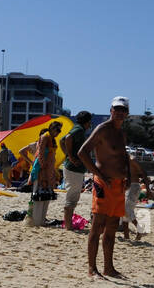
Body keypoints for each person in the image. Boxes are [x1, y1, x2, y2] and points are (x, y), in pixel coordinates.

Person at [78, 98, 131, 277]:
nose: (119, 112)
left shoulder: (122, 134)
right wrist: (99, 176)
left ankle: (109, 267)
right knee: (97, 225)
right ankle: (92, 268)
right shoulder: (102, 129)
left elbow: (124, 157)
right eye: (117, 109)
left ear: (127, 113)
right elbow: (82, 153)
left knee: (112, 226)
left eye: (123, 110)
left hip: (119, 185)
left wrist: (129, 176)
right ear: (110, 110)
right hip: (103, 184)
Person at [61, 110, 92, 231]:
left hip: (73, 168)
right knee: (72, 197)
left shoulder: (77, 128)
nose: (90, 125)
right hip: (74, 169)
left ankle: (68, 225)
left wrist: (68, 156)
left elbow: (62, 141)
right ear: (87, 122)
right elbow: (67, 139)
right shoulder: (79, 130)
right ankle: (68, 226)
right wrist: (71, 157)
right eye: (90, 122)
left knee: (72, 196)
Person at [30, 120, 62, 226]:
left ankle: (42, 219)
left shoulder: (53, 139)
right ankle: (36, 220)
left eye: (59, 130)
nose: (58, 132)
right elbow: (41, 154)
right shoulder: (45, 137)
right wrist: (43, 170)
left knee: (46, 196)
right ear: (52, 128)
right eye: (57, 129)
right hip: (42, 170)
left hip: (49, 170)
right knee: (38, 195)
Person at [121, 156, 149, 241]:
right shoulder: (124, 161)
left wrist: (148, 190)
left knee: (127, 210)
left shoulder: (132, 160)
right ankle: (126, 236)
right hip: (129, 188)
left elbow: (144, 173)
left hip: (134, 187)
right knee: (124, 212)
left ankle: (140, 230)